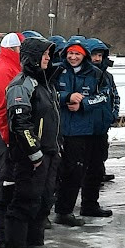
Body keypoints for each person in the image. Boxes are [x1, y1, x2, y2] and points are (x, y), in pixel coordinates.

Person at [2, 36, 62, 248]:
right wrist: (33, 151)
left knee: (45, 198)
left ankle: (35, 241)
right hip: (29, 156)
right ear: (34, 57)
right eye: (44, 54)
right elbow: (20, 121)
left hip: (49, 151)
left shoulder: (46, 83)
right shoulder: (22, 83)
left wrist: (57, 146)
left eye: (49, 54)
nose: (48, 58)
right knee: (24, 200)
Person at [52, 38, 112, 226]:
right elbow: (48, 92)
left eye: (77, 54)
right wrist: (66, 97)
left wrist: (83, 104)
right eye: (70, 53)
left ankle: (65, 210)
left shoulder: (95, 73)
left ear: (84, 55)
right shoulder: (57, 70)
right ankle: (51, 210)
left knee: (76, 171)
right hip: (59, 129)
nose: (73, 57)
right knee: (57, 172)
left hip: (83, 130)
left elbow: (104, 96)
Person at [0, 31, 27, 248]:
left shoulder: (13, 68)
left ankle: (5, 231)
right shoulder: (3, 71)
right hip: (2, 134)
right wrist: (9, 138)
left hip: (7, 134)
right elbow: (0, 110)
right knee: (1, 183)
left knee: (10, 183)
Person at [86, 37, 121, 189]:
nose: (97, 59)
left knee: (100, 156)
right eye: (94, 55)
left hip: (102, 125)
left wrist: (113, 114)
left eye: (100, 56)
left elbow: (115, 96)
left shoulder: (107, 76)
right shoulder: (84, 75)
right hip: (85, 127)